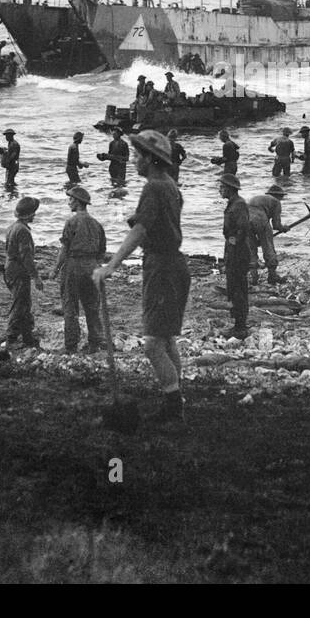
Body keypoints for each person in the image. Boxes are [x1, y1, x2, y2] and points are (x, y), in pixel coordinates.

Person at [93, 130, 190, 424]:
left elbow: (141, 230)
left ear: (150, 159)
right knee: (166, 339)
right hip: (173, 265)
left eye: (137, 155)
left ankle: (173, 405)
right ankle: (176, 400)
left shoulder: (154, 188)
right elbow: (154, 223)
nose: (133, 160)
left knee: (152, 344)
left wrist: (111, 265)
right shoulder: (170, 185)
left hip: (162, 267)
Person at [48, 185, 107, 354]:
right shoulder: (97, 224)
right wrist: (94, 265)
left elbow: (64, 249)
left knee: (70, 307)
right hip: (92, 267)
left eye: (70, 199)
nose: (69, 203)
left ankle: (71, 346)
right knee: (92, 306)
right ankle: (95, 342)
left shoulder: (71, 222)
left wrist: (55, 269)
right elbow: (102, 251)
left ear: (78, 202)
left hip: (73, 266)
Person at [1, 196, 46, 349]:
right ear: (28, 214)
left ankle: (28, 337)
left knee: (24, 304)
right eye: (33, 212)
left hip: (11, 268)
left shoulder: (14, 227)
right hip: (18, 271)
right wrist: (36, 277)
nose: (35, 215)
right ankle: (11, 338)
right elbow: (26, 257)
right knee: (20, 305)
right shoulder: (23, 231)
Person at [219, 174, 253, 339]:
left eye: (222, 187)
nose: (220, 190)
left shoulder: (239, 205)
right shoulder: (233, 203)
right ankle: (238, 323)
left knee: (238, 288)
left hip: (238, 252)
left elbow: (244, 226)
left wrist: (235, 241)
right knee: (233, 287)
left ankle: (240, 327)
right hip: (234, 251)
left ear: (229, 189)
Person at [248, 183, 287, 285]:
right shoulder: (276, 202)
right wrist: (284, 228)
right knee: (268, 246)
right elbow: (276, 225)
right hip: (260, 218)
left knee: (251, 247)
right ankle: (272, 275)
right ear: (278, 195)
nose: (281, 199)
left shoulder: (259, 198)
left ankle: (253, 277)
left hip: (244, 218)